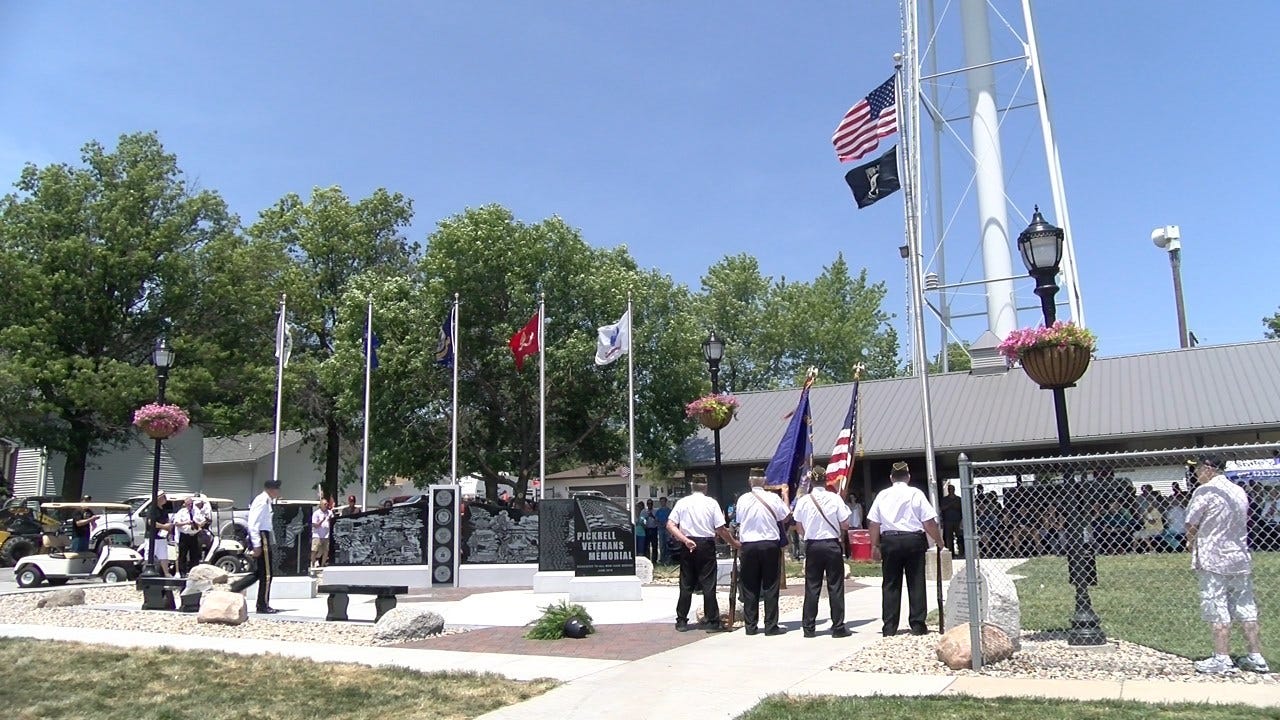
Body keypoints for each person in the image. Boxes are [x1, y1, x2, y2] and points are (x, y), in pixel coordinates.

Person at [1186, 454, 1268, 674]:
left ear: (1208, 469)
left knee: (1216, 604)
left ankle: (1221, 658)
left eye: (1198, 469)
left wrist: (1190, 541)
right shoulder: (1238, 490)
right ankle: (1256, 656)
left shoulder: (1204, 491)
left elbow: (1191, 521)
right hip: (1238, 555)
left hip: (1213, 556)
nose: (1195, 473)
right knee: (1245, 605)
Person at [867, 461, 943, 637]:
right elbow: (929, 522)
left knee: (891, 583)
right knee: (916, 582)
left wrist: (875, 545)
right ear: (908, 477)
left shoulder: (882, 495)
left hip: (890, 540)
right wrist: (939, 541)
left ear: (891, 477)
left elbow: (873, 523)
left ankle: (889, 626)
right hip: (913, 539)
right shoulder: (915, 493)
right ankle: (917, 624)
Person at [666, 480, 740, 632]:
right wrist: (733, 543)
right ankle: (712, 620)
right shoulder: (711, 503)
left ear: (692, 486)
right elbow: (720, 528)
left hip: (688, 544)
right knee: (708, 584)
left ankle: (681, 620)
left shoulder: (682, 502)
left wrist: (685, 540)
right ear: (706, 487)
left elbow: (670, 525)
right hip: (706, 544)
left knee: (686, 584)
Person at [794, 472, 852, 638]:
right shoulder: (835, 499)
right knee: (836, 586)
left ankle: (809, 627)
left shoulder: (804, 500)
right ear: (826, 481)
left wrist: (809, 535)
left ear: (811, 482)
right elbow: (846, 524)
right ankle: (838, 626)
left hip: (812, 544)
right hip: (832, 544)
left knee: (812, 586)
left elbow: (798, 526)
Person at [733, 471, 792, 636]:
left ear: (749, 481)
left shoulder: (743, 499)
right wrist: (785, 495)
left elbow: (739, 520)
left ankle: (750, 625)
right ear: (764, 481)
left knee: (750, 586)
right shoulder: (773, 498)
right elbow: (786, 517)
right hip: (769, 544)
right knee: (770, 586)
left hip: (749, 545)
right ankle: (770, 625)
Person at [232, 478, 282, 614]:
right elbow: (254, 524)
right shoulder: (262, 500)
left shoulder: (267, 500)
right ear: (271, 489)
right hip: (261, 536)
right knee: (266, 574)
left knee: (259, 572)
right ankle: (262, 605)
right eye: (277, 489)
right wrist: (257, 545)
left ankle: (234, 588)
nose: (278, 491)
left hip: (264, 535)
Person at [172, 496, 204, 576]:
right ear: (185, 504)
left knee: (194, 555)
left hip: (194, 535)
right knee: (182, 555)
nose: (190, 505)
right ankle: (182, 573)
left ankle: (194, 573)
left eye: (191, 504)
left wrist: (199, 524)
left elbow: (203, 520)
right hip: (184, 536)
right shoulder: (181, 512)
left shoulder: (196, 511)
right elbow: (176, 523)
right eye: (188, 504)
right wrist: (186, 522)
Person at [146, 491, 175, 576]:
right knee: (150, 555)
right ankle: (147, 572)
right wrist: (164, 526)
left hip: (162, 537)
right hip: (152, 537)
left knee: (164, 556)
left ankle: (166, 573)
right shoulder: (153, 509)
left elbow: (167, 522)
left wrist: (169, 527)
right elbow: (150, 522)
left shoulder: (163, 510)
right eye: (163, 497)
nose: (165, 498)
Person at [938, 484, 963, 558]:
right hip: (947, 521)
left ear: (954, 490)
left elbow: (961, 508)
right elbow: (942, 508)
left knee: (960, 537)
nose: (950, 490)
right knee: (949, 538)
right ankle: (951, 554)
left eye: (951, 489)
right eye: (949, 489)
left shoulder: (958, 499)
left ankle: (961, 553)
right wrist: (950, 505)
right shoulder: (944, 499)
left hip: (957, 521)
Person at [311, 498, 333, 568]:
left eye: (327, 504)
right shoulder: (316, 513)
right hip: (317, 535)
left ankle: (322, 565)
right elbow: (315, 525)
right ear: (321, 505)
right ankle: (313, 564)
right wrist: (322, 520)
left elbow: (332, 523)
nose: (326, 505)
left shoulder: (330, 512)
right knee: (314, 550)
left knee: (325, 551)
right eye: (324, 504)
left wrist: (330, 520)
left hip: (326, 535)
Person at [654, 496, 672, 564]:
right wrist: (660, 524)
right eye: (661, 502)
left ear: (666, 502)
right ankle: (662, 559)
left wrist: (666, 524)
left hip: (667, 529)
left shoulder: (669, 511)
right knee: (661, 545)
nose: (662, 503)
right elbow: (656, 520)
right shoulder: (658, 511)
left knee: (667, 544)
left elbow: (671, 520)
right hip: (661, 529)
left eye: (663, 501)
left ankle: (668, 559)